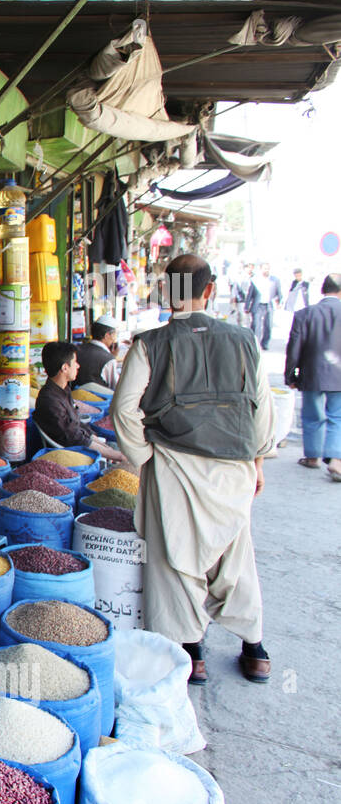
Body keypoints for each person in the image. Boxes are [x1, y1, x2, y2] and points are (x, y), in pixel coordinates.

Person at [111, 254, 274, 686]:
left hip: (174, 468)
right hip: (232, 468)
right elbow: (260, 409)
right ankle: (254, 649)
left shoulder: (149, 344)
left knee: (174, 563)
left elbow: (124, 408)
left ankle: (191, 653)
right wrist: (256, 462)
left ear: (167, 291)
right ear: (209, 290)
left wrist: (144, 456)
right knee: (234, 558)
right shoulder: (244, 340)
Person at [284, 272, 341, 479]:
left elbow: (293, 348)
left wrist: (290, 375)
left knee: (312, 416)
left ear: (321, 290)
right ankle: (336, 460)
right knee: (338, 416)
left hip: (312, 373)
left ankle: (313, 457)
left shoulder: (305, 314)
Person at [33, 341, 126, 462]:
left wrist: (106, 448)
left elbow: (78, 426)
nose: (78, 366)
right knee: (118, 451)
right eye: (74, 362)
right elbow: (75, 438)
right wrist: (116, 455)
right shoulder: (49, 400)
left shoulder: (63, 391)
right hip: (73, 454)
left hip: (80, 444)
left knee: (115, 447)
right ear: (65, 368)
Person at [74, 319, 123, 389]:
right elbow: (115, 386)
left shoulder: (76, 349)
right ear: (107, 336)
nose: (115, 339)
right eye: (115, 335)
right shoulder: (108, 359)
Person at [246, 261, 282, 350]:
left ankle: (265, 343)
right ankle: (256, 343)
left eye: (268, 268)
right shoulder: (255, 280)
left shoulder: (275, 280)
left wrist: (280, 302)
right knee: (256, 325)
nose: (267, 270)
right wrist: (247, 306)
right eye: (265, 268)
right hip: (257, 306)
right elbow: (250, 294)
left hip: (269, 305)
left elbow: (279, 292)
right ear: (260, 269)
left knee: (268, 325)